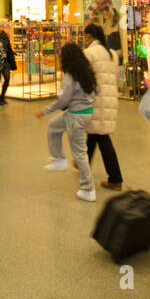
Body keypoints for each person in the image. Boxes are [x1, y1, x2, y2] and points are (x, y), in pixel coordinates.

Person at [35, 43, 98, 201]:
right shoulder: (88, 73)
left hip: (75, 115)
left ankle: (88, 188)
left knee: (79, 153)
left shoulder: (70, 77)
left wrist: (46, 110)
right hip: (84, 113)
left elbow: (62, 100)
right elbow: (97, 91)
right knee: (53, 126)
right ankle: (59, 158)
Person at [82, 23, 123, 190]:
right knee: (95, 134)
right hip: (110, 99)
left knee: (102, 137)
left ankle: (115, 178)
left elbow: (84, 76)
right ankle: (82, 163)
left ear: (89, 36)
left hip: (96, 100)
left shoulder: (89, 53)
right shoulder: (112, 53)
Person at [0, 22, 15, 104]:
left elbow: (8, 47)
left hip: (5, 60)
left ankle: (2, 96)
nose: (1, 28)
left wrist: (11, 54)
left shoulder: (4, 36)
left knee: (7, 79)